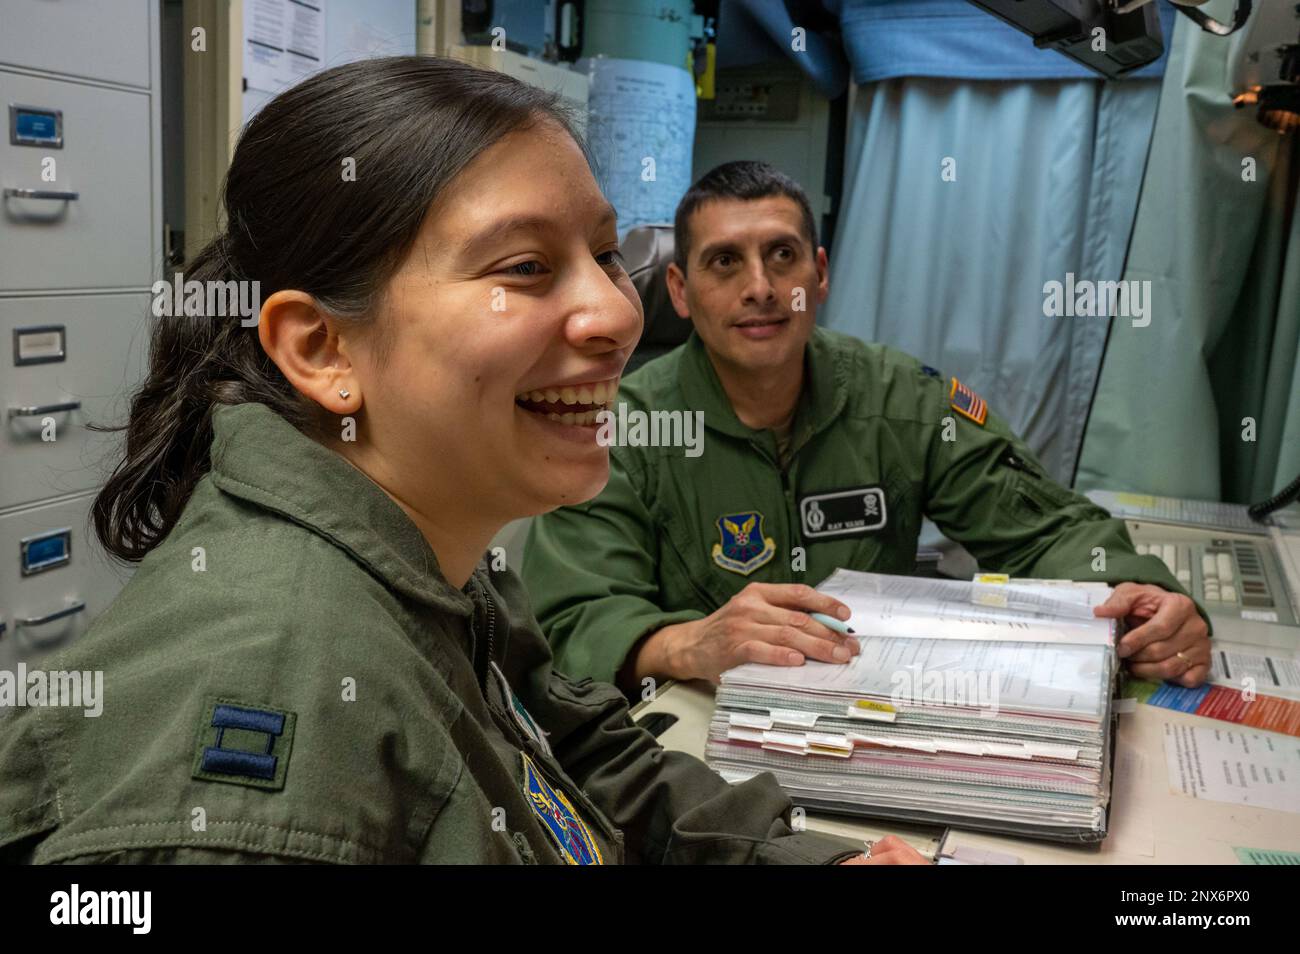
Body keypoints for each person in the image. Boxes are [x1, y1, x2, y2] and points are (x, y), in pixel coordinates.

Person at [0, 59, 925, 865]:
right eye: (524, 268)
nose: (616, 315)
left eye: (605, 254)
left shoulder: (425, 551)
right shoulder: (265, 725)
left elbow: (580, 758)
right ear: (322, 351)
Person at [522, 161, 1212, 692]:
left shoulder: (902, 401)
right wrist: (690, 644)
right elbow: (576, 620)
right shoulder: (619, 431)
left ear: (819, 275)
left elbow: (1052, 531)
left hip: (877, 712)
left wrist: (1149, 601)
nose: (760, 287)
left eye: (782, 256)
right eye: (725, 262)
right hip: (697, 737)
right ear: (679, 290)